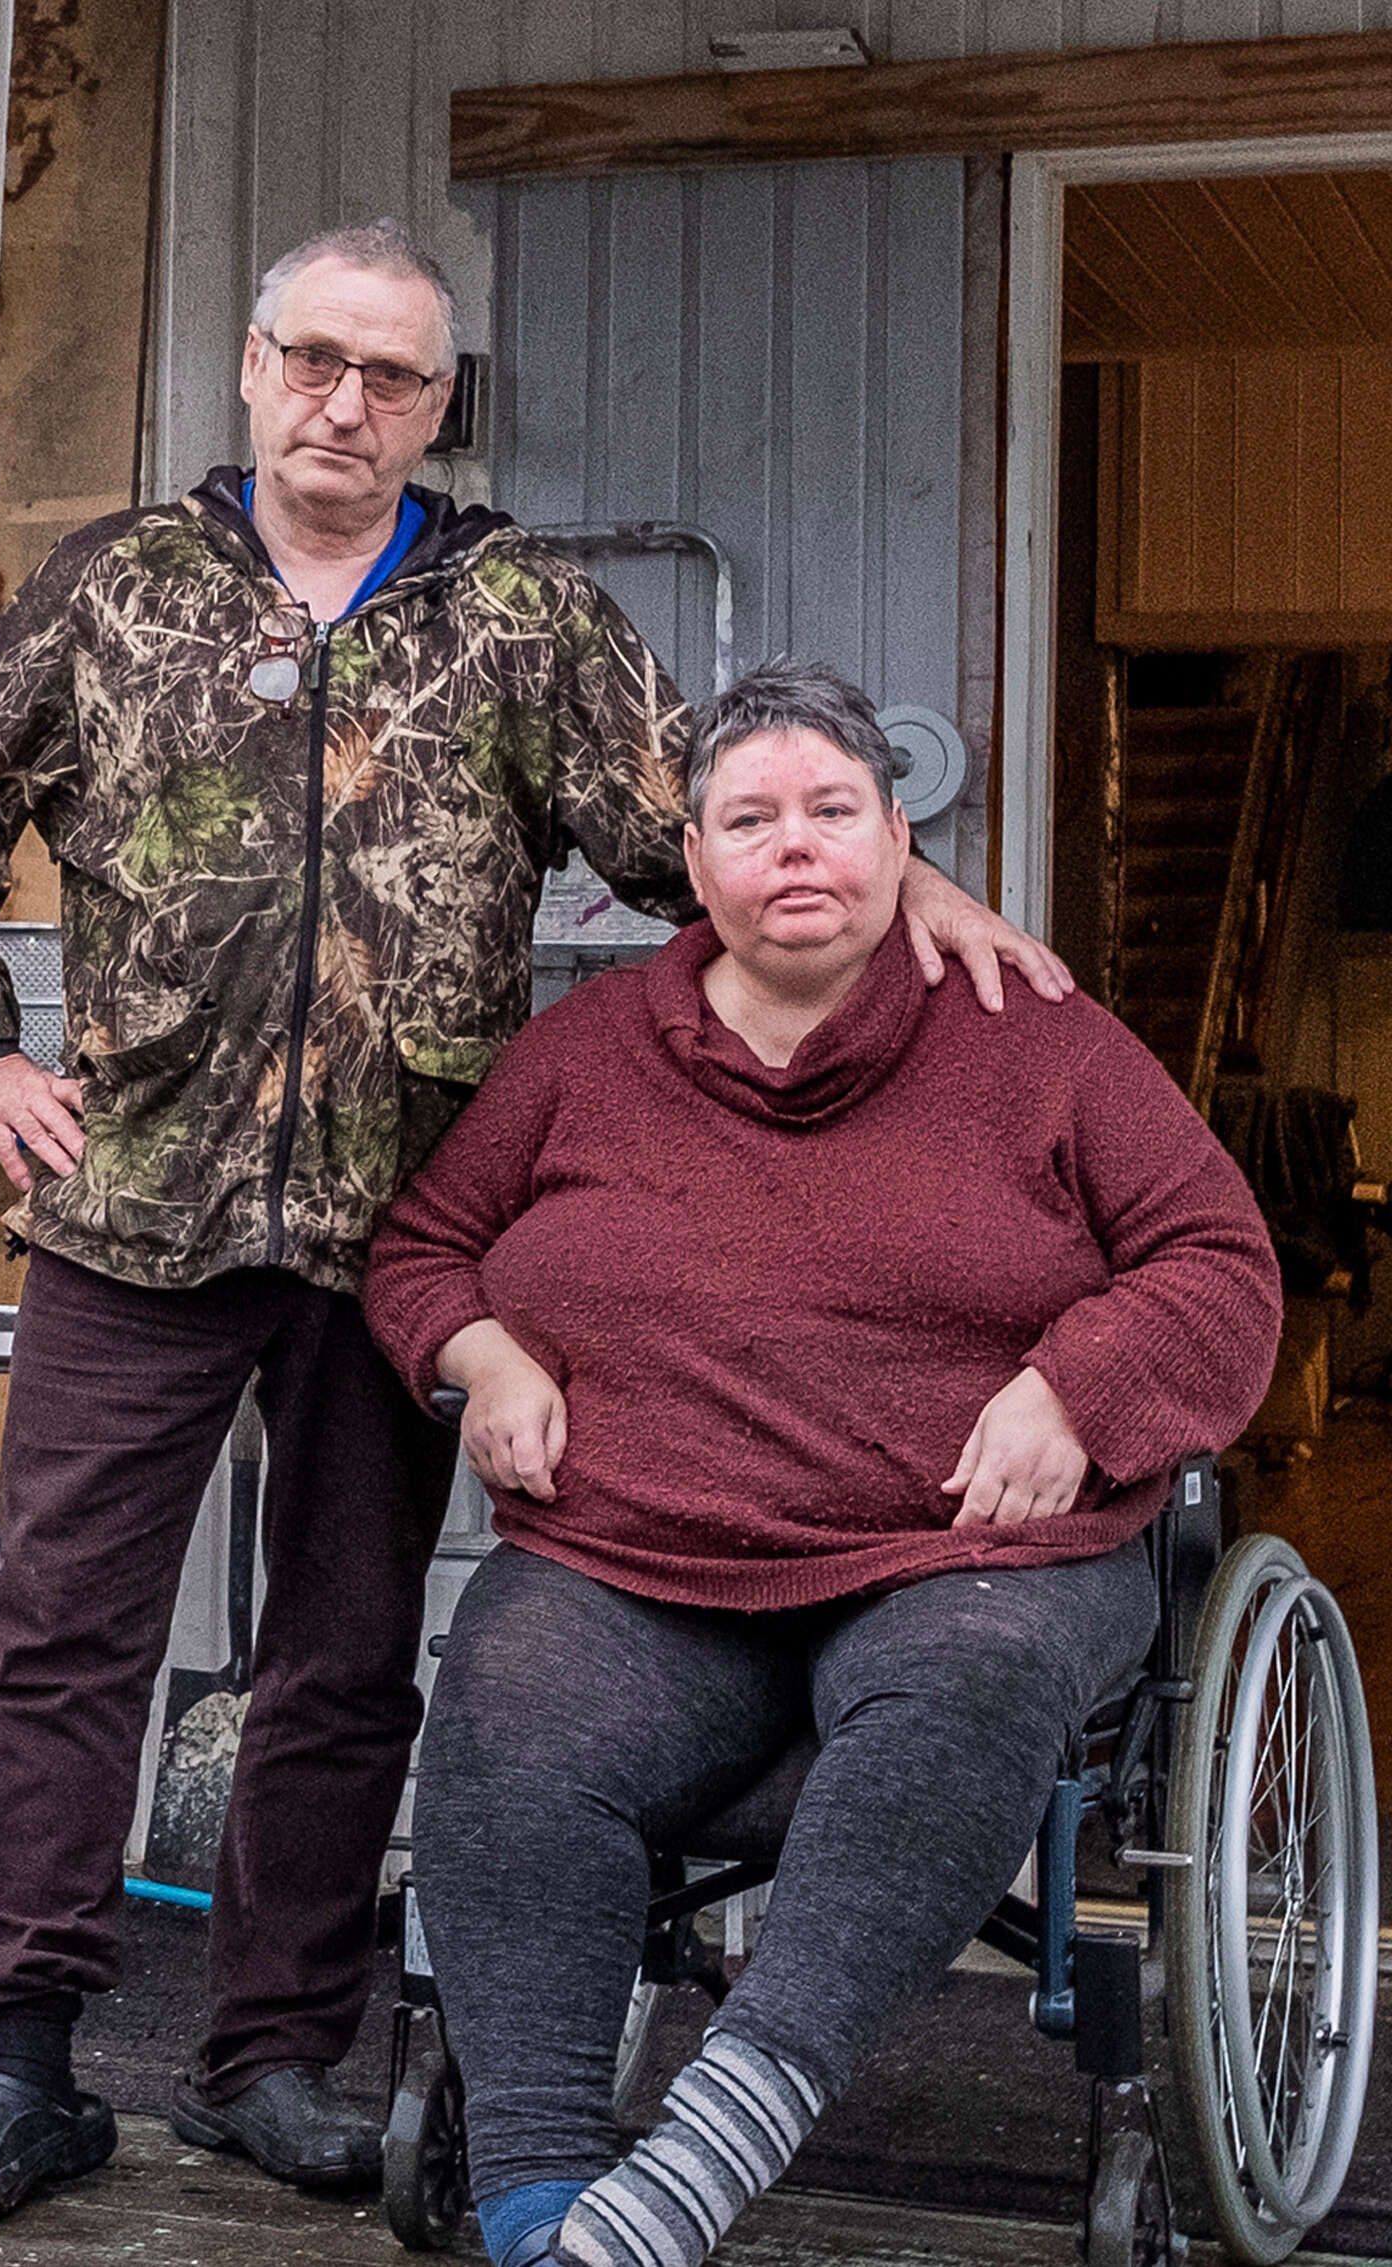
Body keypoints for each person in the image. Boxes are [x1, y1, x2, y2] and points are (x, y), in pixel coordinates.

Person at [0, 215, 1066, 2234]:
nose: (347, 406)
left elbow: (707, 831)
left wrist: (885, 877)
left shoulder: (517, 612)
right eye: (315, 361)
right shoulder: (116, 591)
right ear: (250, 367)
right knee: (67, 1641)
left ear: (439, 402)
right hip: (127, 1210)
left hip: (404, 1229)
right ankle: (20, 2063)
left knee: (341, 1658)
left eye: (394, 377)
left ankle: (269, 2058)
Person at [359, 661, 1281, 2267]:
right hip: (642, 1555)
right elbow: (424, 1245)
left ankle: (702, 2157)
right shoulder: (584, 1052)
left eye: (833, 811)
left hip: (969, 1550)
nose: (797, 848)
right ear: (693, 865)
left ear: (897, 837)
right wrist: (482, 1348)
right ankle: (539, 2197)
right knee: (507, 1727)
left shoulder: (1038, 1039)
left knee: (965, 1685)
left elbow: (1218, 1259)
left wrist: (1079, 1385)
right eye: (752, 819)